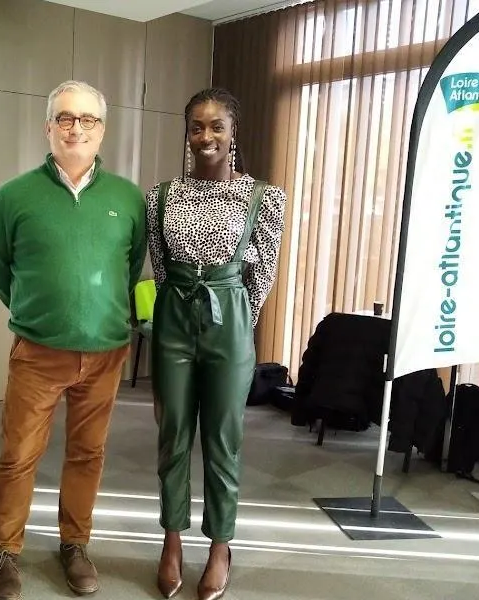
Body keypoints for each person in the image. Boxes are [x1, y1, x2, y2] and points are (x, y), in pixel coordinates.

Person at [0, 80, 147, 600]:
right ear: (48, 127)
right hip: (38, 353)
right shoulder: (12, 196)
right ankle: (7, 553)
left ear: (102, 130)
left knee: (87, 455)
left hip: (105, 353)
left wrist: (98, 316)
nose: (77, 127)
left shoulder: (127, 198)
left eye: (88, 120)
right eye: (66, 118)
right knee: (18, 456)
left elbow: (131, 265)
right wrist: (42, 315)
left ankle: (74, 545)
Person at [146, 87, 286, 600]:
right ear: (187, 134)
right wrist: (180, 312)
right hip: (175, 319)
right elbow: (161, 270)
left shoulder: (263, 197)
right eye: (196, 127)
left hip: (229, 321)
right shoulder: (160, 196)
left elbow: (263, 272)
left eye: (216, 126)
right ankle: (171, 539)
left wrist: (236, 324)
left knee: (223, 440)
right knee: (173, 434)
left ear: (233, 133)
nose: (206, 136)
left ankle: (221, 545)